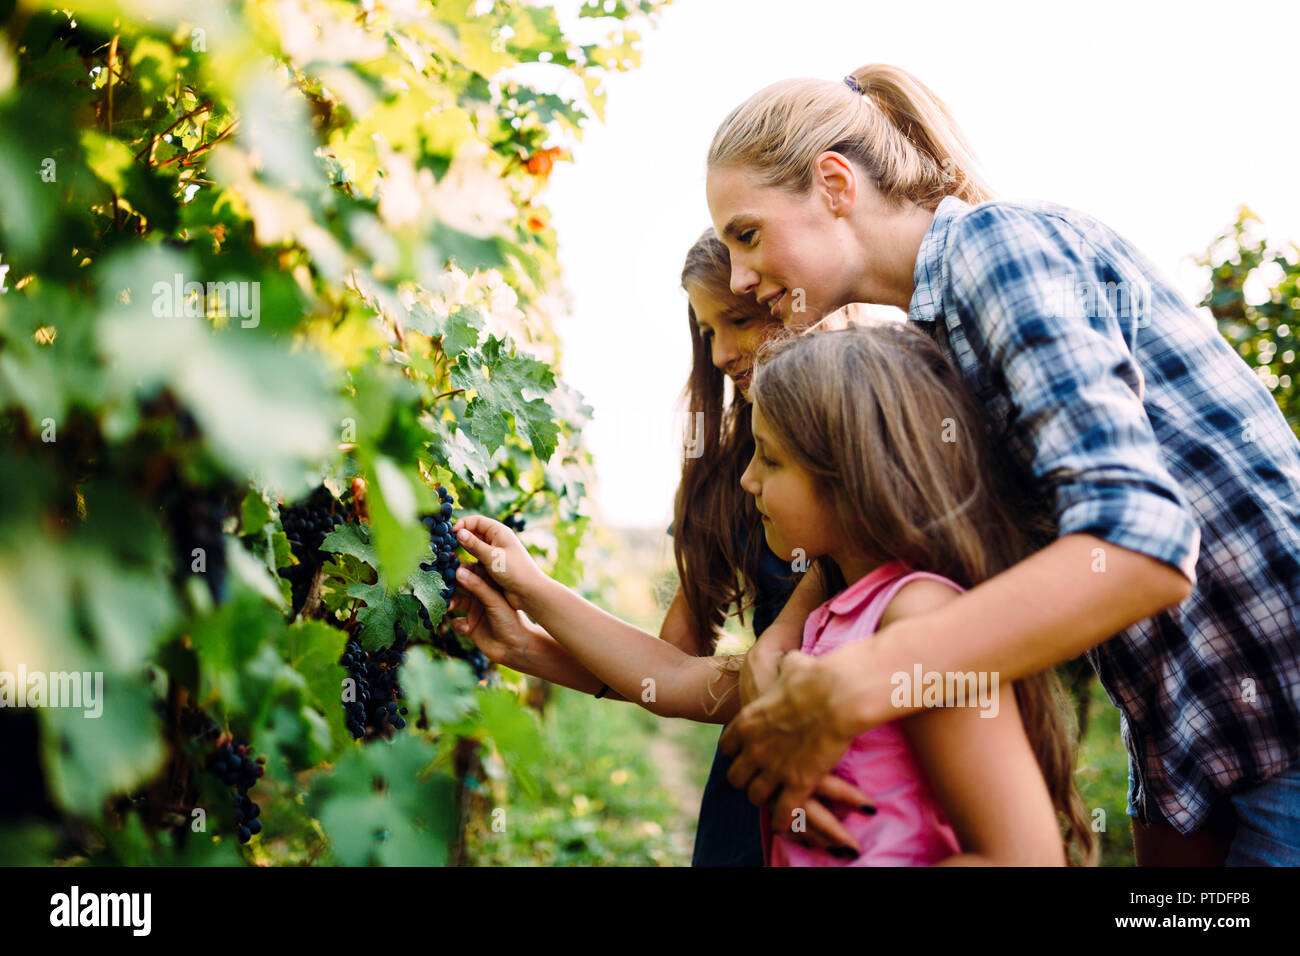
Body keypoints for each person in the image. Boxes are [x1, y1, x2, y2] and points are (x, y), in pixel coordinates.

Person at [704, 62, 1300, 866]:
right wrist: (778, 647)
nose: (739, 278)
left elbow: (1142, 542)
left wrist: (855, 685)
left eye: (747, 234)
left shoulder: (998, 247)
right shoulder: (933, 336)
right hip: (1186, 732)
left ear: (835, 185)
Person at [446, 229, 871, 863]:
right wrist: (526, 644)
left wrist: (536, 603)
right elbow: (671, 671)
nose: (723, 352)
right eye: (707, 332)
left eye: (742, 320)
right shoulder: (732, 467)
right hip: (751, 794)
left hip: (853, 803)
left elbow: (726, 680)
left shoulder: (883, 476)